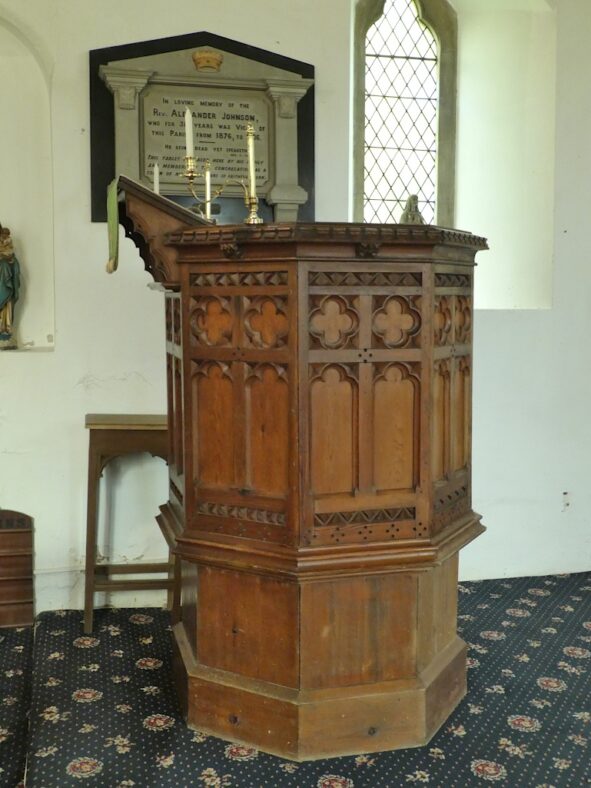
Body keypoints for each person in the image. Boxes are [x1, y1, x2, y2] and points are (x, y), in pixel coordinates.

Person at [0, 225, 21, 349]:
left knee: (6, 308)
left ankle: (5, 333)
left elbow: (11, 258)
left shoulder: (6, 242)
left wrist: (10, 262)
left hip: (4, 285)